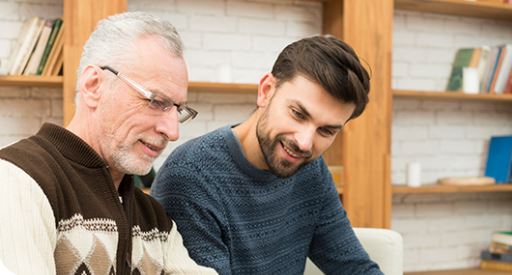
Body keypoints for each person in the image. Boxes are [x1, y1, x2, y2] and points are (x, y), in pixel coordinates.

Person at [0, 12, 216, 275]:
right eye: (156, 102)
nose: (172, 131)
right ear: (93, 86)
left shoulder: (154, 219)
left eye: (178, 109)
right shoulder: (17, 179)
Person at [152, 35, 384, 275]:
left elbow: (354, 266)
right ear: (266, 91)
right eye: (298, 114)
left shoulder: (310, 169)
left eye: (326, 131)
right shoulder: (191, 177)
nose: (304, 143)